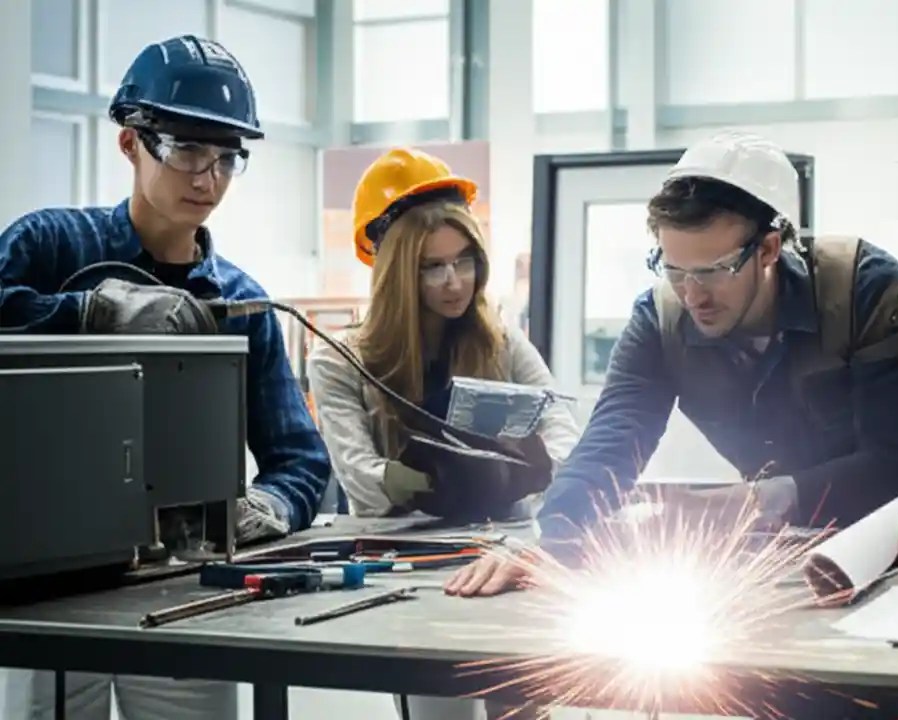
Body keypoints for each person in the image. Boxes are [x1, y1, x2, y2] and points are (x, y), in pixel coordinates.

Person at [448, 130, 898, 597]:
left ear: (768, 248)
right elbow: (609, 444)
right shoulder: (660, 318)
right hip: (774, 563)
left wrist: (751, 502)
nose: (692, 295)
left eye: (713, 271)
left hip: (883, 558)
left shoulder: (859, 290)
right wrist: (551, 542)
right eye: (675, 269)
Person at [0, 35, 331, 720]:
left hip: (185, 594)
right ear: (130, 143)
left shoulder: (242, 304)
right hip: (50, 594)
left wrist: (266, 507)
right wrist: (89, 312)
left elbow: (300, 461)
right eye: (185, 150)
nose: (207, 179)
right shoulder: (47, 247)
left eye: (226, 159)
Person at [308, 146, 580, 518]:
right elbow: (356, 472)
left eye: (464, 261)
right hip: (394, 550)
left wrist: (533, 468)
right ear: (398, 272)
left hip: (498, 540)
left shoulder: (501, 341)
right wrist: (410, 482)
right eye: (433, 267)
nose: (454, 283)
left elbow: (560, 426)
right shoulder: (338, 361)